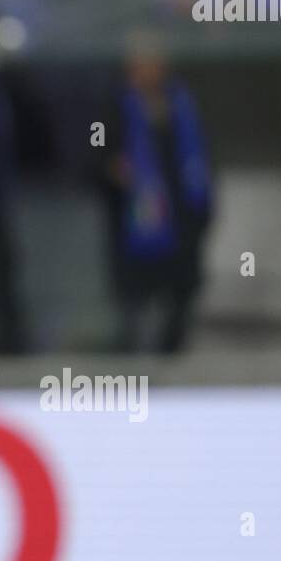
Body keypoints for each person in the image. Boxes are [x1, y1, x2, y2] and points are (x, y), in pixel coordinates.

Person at [99, 35, 212, 354]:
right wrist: (111, 168)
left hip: (181, 230)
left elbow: (201, 163)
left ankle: (169, 381)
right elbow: (92, 156)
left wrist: (202, 217)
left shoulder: (184, 104)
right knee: (134, 318)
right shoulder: (113, 109)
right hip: (135, 234)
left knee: (178, 313)